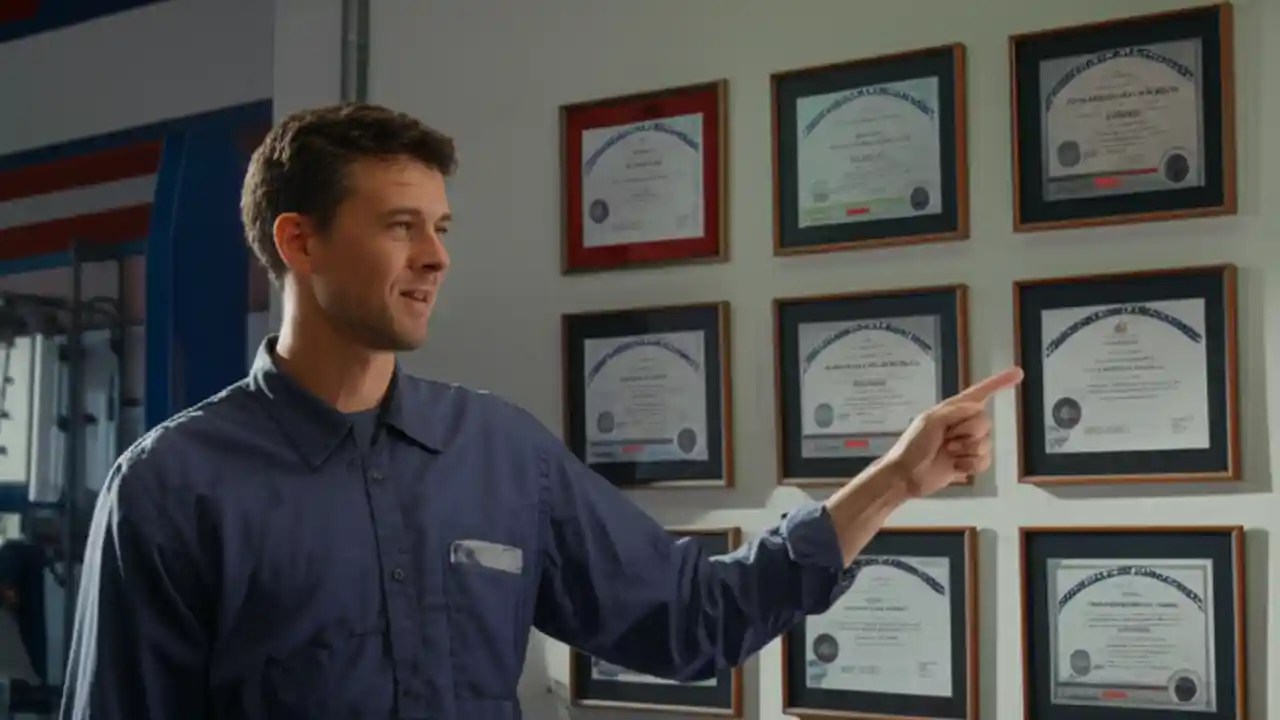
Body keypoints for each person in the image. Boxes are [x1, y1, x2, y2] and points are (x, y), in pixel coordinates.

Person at [59, 103, 1021, 720]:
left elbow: (690, 621)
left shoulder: (501, 456)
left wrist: (895, 479)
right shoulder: (173, 485)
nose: (436, 256)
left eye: (441, 228)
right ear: (298, 242)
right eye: (401, 226)